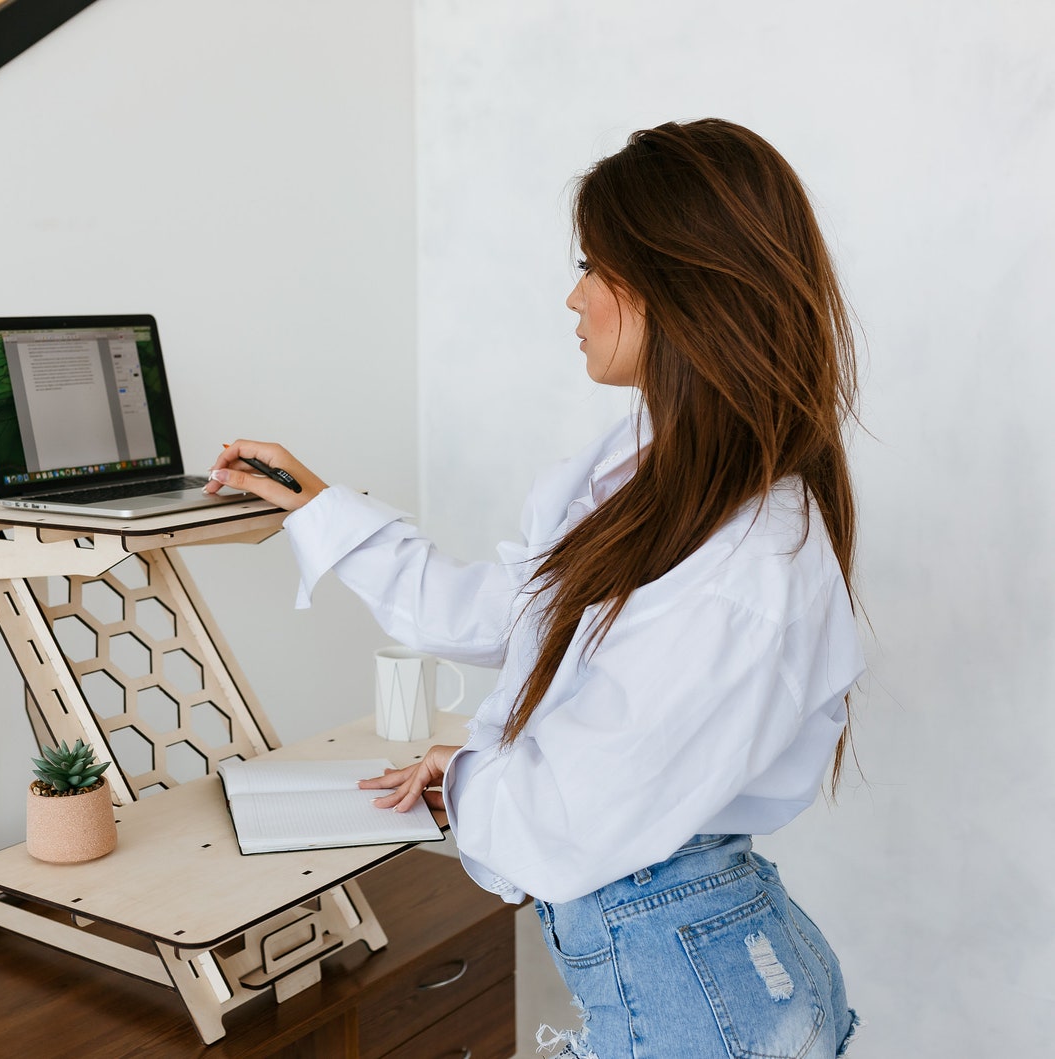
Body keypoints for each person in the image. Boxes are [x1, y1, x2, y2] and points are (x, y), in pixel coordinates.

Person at [204, 119, 863, 1059]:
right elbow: (517, 610)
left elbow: (567, 821)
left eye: (595, 267)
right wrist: (314, 506)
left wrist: (465, 780)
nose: (573, 296)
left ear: (674, 287)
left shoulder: (750, 563)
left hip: (702, 1010)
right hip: (700, 962)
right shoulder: (652, 473)